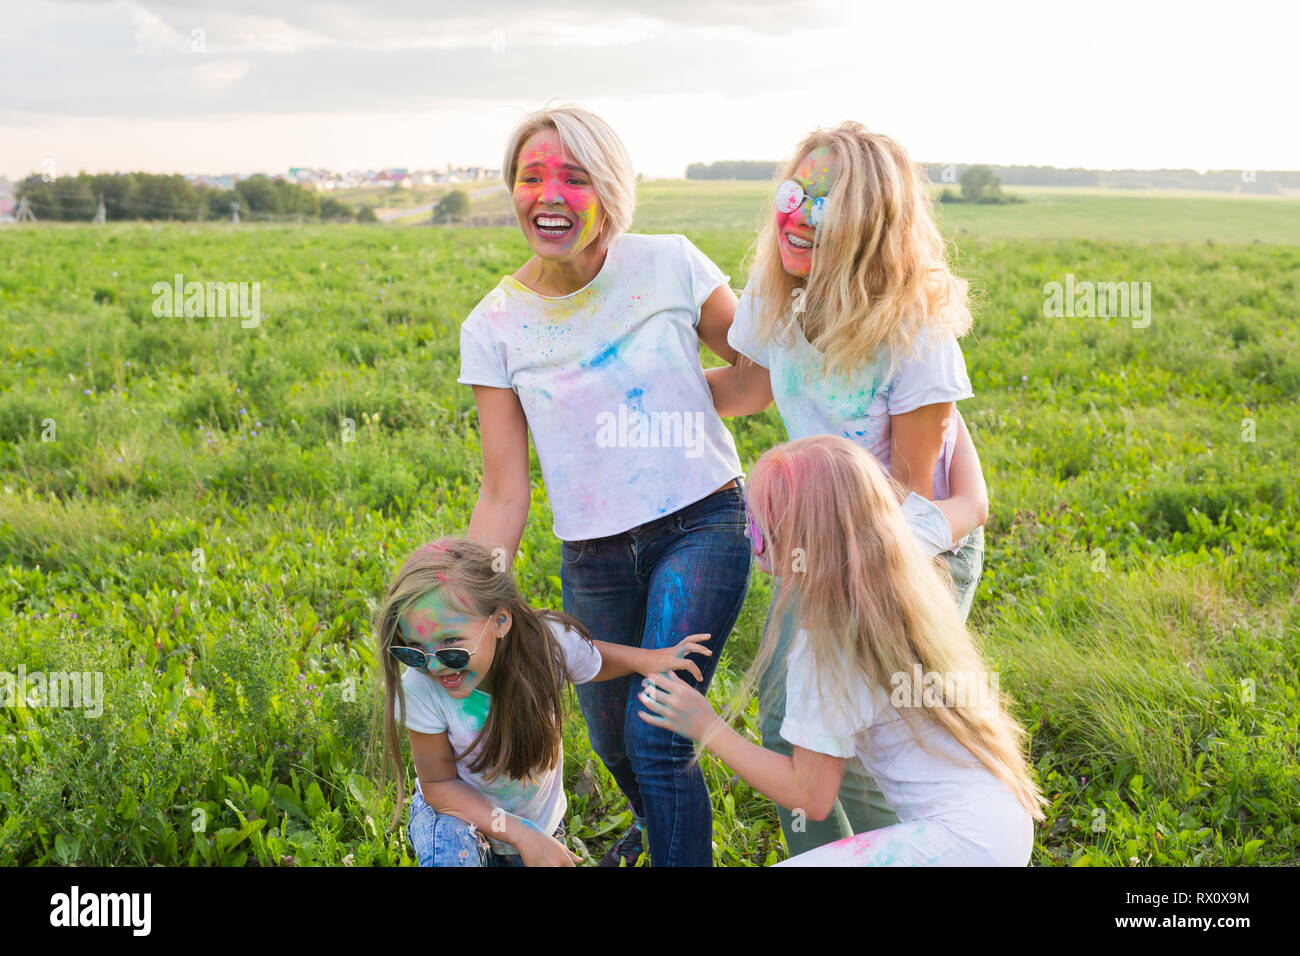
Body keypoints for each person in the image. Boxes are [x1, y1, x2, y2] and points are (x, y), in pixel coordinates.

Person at [458, 105, 751, 866]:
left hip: (702, 525)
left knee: (658, 736)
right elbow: (502, 492)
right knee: (615, 747)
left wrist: (677, 398)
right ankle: (661, 832)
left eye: (574, 176)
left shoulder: (671, 263)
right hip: (592, 556)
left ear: (610, 189)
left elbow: (758, 380)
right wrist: (465, 606)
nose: (549, 194)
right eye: (532, 177)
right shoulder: (493, 326)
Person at [705, 122, 989, 854]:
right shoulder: (781, 295)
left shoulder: (916, 337)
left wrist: (825, 565)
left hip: (906, 540)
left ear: (870, 224)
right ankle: (829, 853)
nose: (795, 214)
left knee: (863, 731)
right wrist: (629, 389)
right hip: (820, 533)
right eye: (791, 192)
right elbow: (745, 389)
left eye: (822, 203)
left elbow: (910, 490)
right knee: (789, 714)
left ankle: (892, 849)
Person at [638, 436, 1045, 865]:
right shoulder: (900, 538)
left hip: (961, 846)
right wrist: (951, 424)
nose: (746, 532)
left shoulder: (826, 646)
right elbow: (972, 502)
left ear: (801, 542)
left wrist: (706, 726)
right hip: (1005, 820)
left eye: (757, 527)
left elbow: (810, 796)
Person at [375, 538, 712, 867]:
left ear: (501, 622)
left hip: (541, 825)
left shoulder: (546, 645)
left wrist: (645, 660)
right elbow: (439, 785)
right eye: (414, 650)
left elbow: (591, 658)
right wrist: (518, 833)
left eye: (451, 646)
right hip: (462, 821)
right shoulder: (421, 688)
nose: (434, 665)